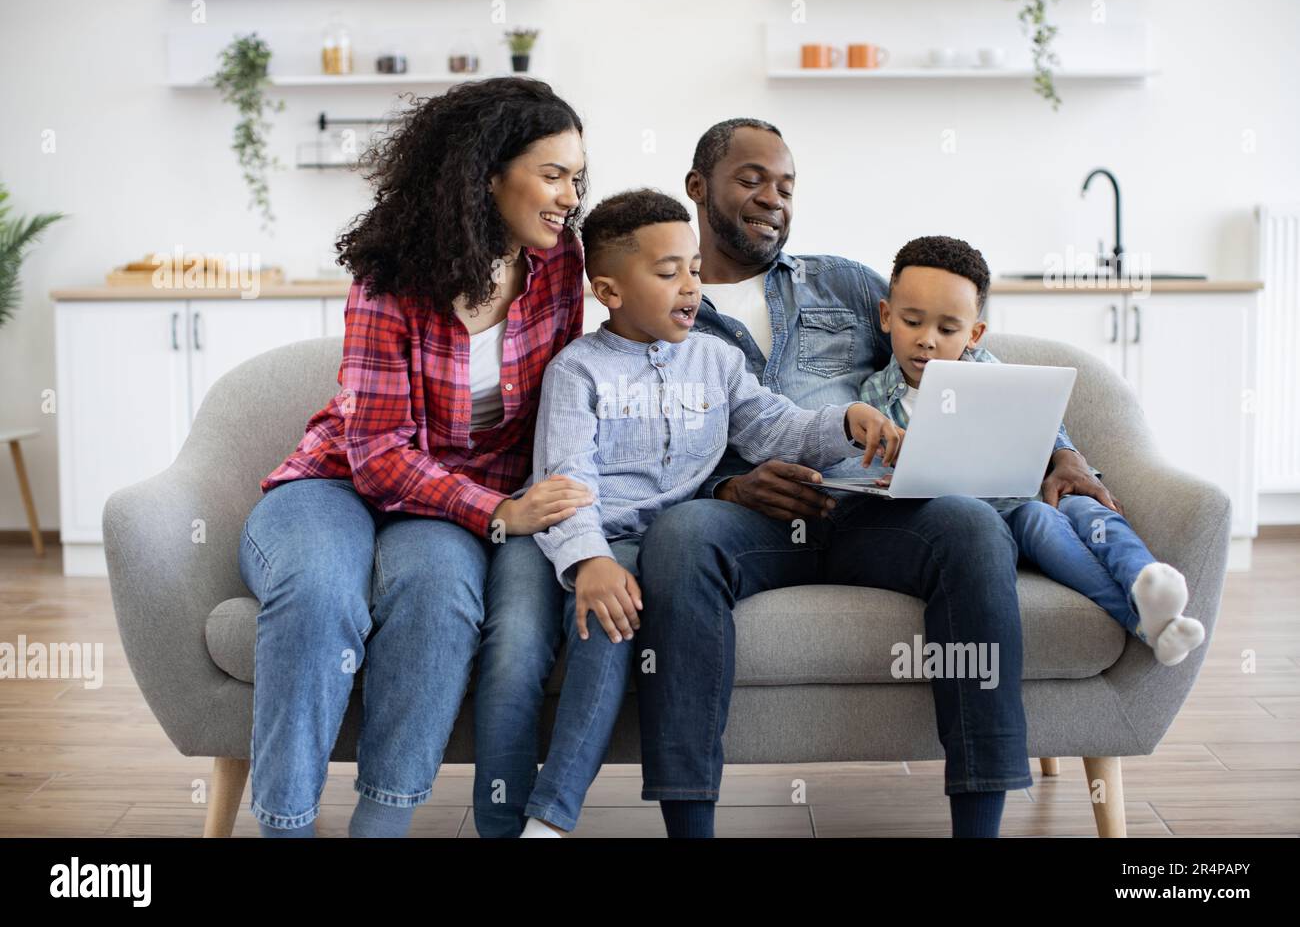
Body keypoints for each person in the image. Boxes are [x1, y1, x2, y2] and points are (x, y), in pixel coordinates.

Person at [634, 118, 1118, 839]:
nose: (773, 198)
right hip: (750, 521)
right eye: (751, 179)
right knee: (680, 539)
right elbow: (642, 443)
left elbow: (965, 369)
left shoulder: (846, 284)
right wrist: (723, 489)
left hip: (876, 512)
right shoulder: (661, 305)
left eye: (787, 185)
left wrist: (1065, 453)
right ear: (698, 188)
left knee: (972, 524)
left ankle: (980, 825)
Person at [475, 188, 899, 837]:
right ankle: (499, 825)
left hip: (644, 548)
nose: (690, 287)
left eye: (695, 269)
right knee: (512, 655)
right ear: (610, 292)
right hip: (557, 538)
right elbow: (568, 481)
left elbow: (779, 430)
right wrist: (589, 561)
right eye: (667, 272)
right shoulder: (578, 371)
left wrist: (845, 419)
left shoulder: (718, 362)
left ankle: (548, 822)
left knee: (606, 634)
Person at [238, 77, 591, 837]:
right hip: (338, 484)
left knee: (438, 596)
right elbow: (374, 454)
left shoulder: (561, 266)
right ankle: (284, 825)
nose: (569, 196)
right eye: (553, 174)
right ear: (490, 173)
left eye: (577, 178)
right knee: (320, 590)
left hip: (446, 507)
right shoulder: (391, 279)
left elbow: (574, 387)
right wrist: (498, 510)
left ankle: (383, 825)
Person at [860, 234, 1206, 666]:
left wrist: (1066, 456)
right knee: (1039, 521)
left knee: (1082, 507)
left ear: (974, 334)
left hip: (1032, 495)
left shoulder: (990, 372)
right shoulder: (873, 397)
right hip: (992, 526)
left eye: (947, 330)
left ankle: (1146, 581)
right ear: (887, 317)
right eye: (913, 322)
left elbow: (1044, 424)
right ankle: (1139, 622)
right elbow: (871, 470)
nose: (927, 340)